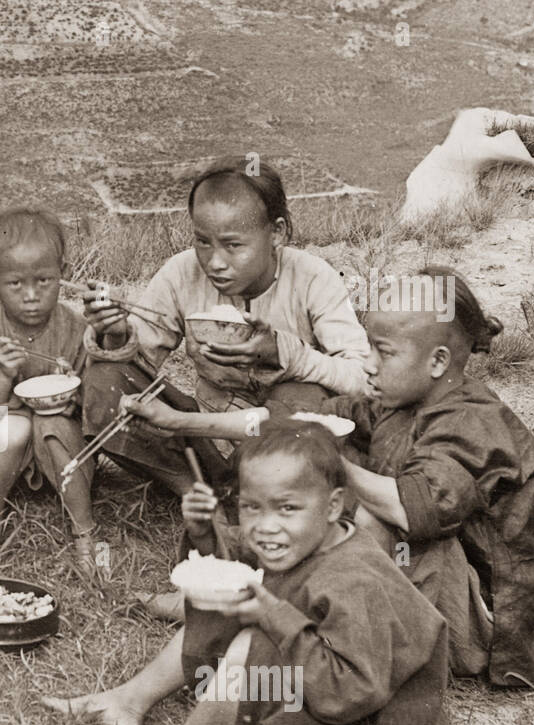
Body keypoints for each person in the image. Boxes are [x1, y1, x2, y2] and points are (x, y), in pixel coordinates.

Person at [128, 268, 534, 688]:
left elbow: (415, 510)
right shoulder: (402, 400)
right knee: (317, 457)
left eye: (384, 352)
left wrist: (337, 464)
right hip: (426, 579)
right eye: (369, 348)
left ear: (438, 361)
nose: (368, 366)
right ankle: (266, 598)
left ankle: (278, 607)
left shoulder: (472, 421)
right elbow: (290, 421)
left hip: (478, 618)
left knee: (365, 515)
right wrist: (179, 420)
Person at [44, 420, 448, 725]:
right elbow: (236, 560)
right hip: (328, 697)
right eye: (252, 507)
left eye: (287, 508)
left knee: (252, 647)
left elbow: (351, 693)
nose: (265, 526)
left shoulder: (356, 582)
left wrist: (275, 620)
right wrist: (205, 532)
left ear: (332, 506)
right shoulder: (306, 538)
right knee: (228, 600)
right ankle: (129, 700)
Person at [81, 156, 370, 497]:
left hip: (285, 437)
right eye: (203, 241)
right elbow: (137, 363)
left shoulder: (312, 278)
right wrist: (115, 333)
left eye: (233, 245)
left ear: (276, 232)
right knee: (103, 381)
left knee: (301, 398)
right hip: (205, 433)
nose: (215, 263)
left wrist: (286, 354)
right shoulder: (181, 273)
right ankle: (196, 491)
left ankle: (255, 488)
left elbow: (364, 380)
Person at [0, 207, 95, 569]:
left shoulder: (75, 328)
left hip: (61, 449)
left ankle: (85, 531)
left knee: (48, 424)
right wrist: (2, 375)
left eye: (44, 281)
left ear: (65, 272)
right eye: (15, 284)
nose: (31, 295)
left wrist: (72, 391)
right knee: (17, 426)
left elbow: (92, 406)